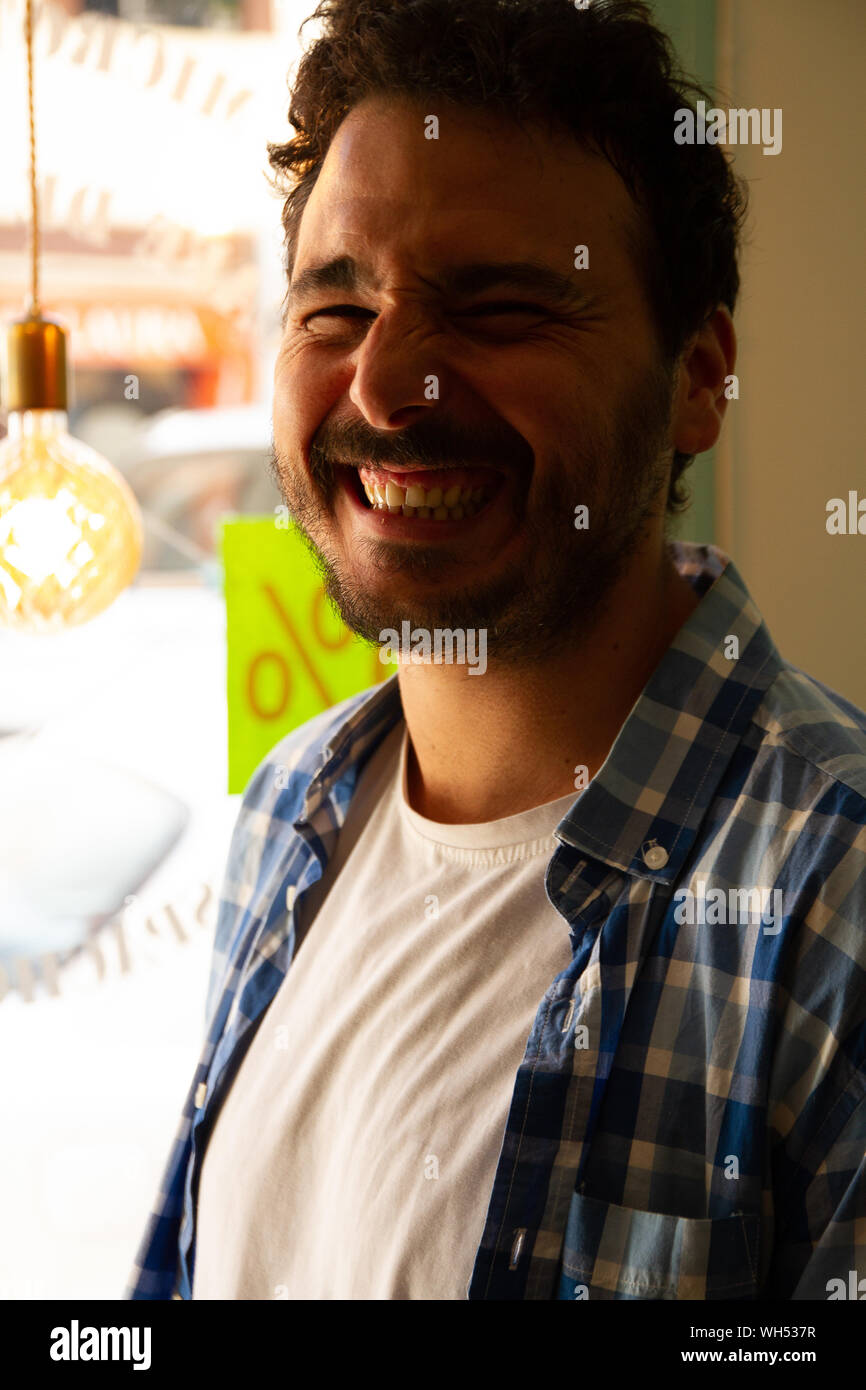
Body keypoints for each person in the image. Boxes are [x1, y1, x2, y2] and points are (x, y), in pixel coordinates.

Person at [127, 0, 866, 1300]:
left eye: (503, 306)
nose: (384, 383)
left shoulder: (833, 901)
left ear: (697, 375)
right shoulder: (290, 810)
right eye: (336, 307)